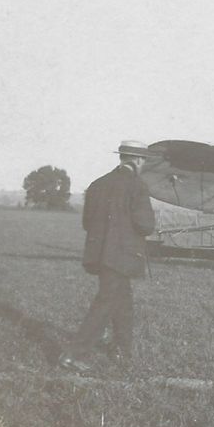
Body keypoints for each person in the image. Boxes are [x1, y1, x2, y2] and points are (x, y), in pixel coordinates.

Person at [59, 141, 157, 371]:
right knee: (105, 303)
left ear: (122, 157)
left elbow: (87, 223)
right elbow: (146, 226)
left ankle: (122, 350)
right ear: (139, 161)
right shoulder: (138, 186)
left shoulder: (97, 184)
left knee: (123, 302)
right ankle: (72, 354)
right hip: (122, 257)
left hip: (99, 254)